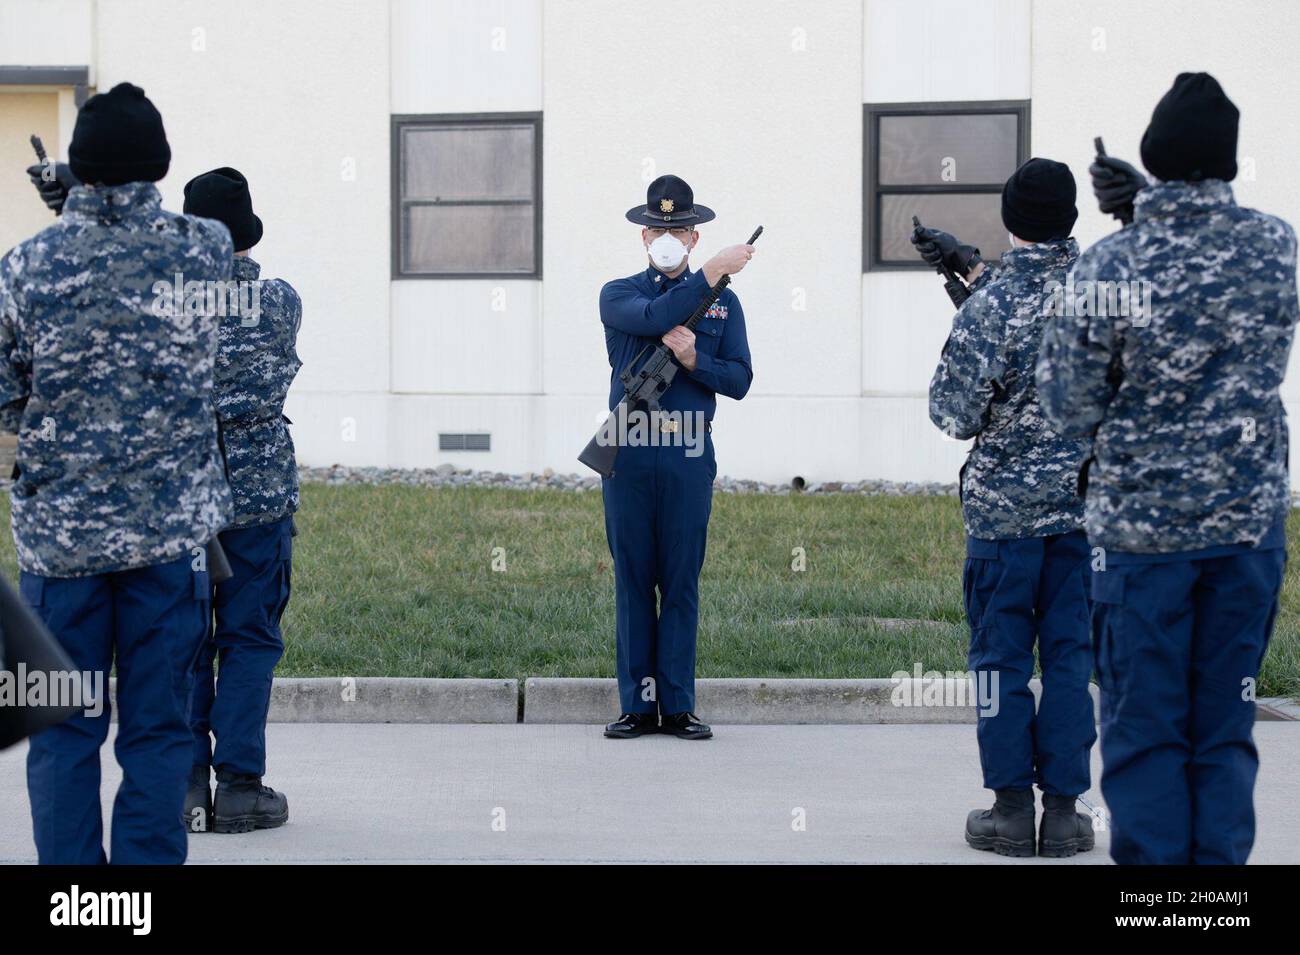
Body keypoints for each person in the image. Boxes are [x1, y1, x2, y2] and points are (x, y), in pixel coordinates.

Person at [1037, 73, 1298, 864]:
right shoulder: (1278, 245)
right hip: (1247, 530)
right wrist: (1152, 203)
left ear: (1152, 154)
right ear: (1229, 160)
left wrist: (1141, 213)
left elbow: (1066, 407)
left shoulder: (1111, 268)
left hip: (1142, 542)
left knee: (1147, 730)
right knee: (1223, 727)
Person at [0, 82, 233, 864]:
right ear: (159, 163)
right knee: (160, 730)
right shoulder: (204, 249)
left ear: (80, 164)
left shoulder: (27, 266)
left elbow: (6, 396)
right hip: (166, 546)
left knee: (63, 731)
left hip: (58, 552)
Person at [917, 158, 1096, 858]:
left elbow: (953, 414)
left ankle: (1011, 811)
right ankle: (1064, 815)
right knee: (1071, 662)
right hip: (1084, 515)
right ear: (1073, 220)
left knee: (1000, 662)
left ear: (1009, 221)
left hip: (1003, 519)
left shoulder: (991, 307)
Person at [598, 175, 753, 740]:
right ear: (644, 237)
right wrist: (711, 273)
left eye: (679, 229)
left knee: (681, 582)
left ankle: (678, 706)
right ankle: (638, 706)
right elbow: (653, 319)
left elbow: (739, 379)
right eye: (657, 229)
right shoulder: (619, 294)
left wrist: (695, 364)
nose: (667, 237)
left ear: (692, 236)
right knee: (635, 582)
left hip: (688, 450)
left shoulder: (723, 303)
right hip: (630, 451)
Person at [182, 168, 302, 833]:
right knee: (250, 638)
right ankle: (241, 784)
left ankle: (189, 784)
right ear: (248, 236)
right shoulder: (280, 302)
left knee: (188, 642)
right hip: (258, 501)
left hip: (188, 504)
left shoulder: (165, 309)